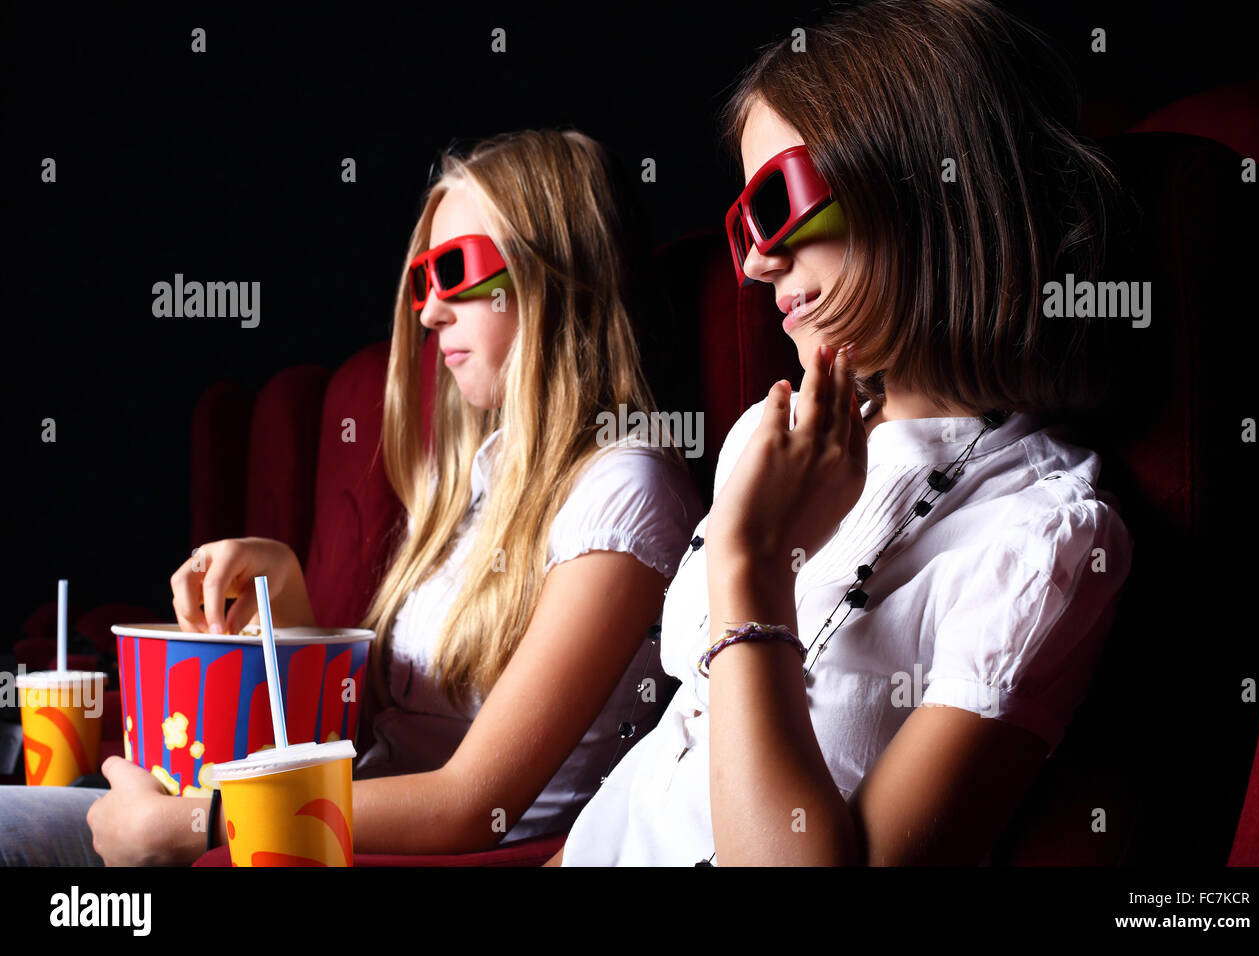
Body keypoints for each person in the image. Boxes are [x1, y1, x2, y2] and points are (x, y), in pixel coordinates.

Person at [0, 129, 702, 865]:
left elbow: (470, 805)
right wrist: (292, 601)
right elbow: (374, 743)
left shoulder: (626, 491)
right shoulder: (478, 481)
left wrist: (196, 822)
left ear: (553, 273)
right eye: (421, 282)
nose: (429, 313)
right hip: (333, 831)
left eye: (454, 272)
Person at [553, 0, 1134, 866]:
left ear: (929, 180)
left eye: (776, 201)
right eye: (741, 224)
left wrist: (754, 559)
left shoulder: (1044, 540)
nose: (752, 261)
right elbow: (670, 759)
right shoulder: (777, 435)